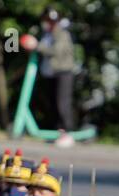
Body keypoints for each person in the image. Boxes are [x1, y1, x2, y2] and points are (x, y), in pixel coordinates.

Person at [36, 8, 78, 147]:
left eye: (51, 21)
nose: (49, 23)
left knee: (62, 103)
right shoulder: (46, 34)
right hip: (51, 73)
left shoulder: (62, 33)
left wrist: (37, 46)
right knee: (52, 104)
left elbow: (56, 51)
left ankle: (68, 134)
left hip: (64, 72)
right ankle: (57, 132)